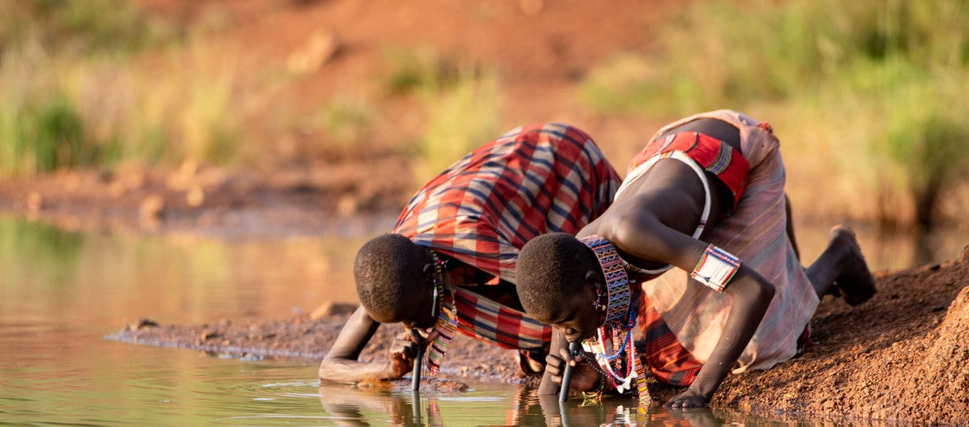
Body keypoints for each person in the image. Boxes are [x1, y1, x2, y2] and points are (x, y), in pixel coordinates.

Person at [515, 110, 877, 408]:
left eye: (564, 324)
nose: (563, 335)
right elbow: (551, 390)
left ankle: (839, 254)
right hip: (672, 164)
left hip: (733, 152)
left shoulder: (633, 235)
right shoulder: (576, 264)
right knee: (668, 353)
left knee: (759, 345)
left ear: (594, 286)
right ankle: (772, 236)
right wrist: (586, 383)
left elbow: (754, 289)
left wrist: (702, 391)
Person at [319, 122, 621, 384]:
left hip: (560, 162)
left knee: (593, 283)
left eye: (413, 317)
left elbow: (551, 287)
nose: (413, 328)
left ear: (429, 277)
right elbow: (330, 367)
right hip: (493, 203)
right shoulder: (391, 273)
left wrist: (551, 386)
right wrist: (386, 368)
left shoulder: (467, 237)